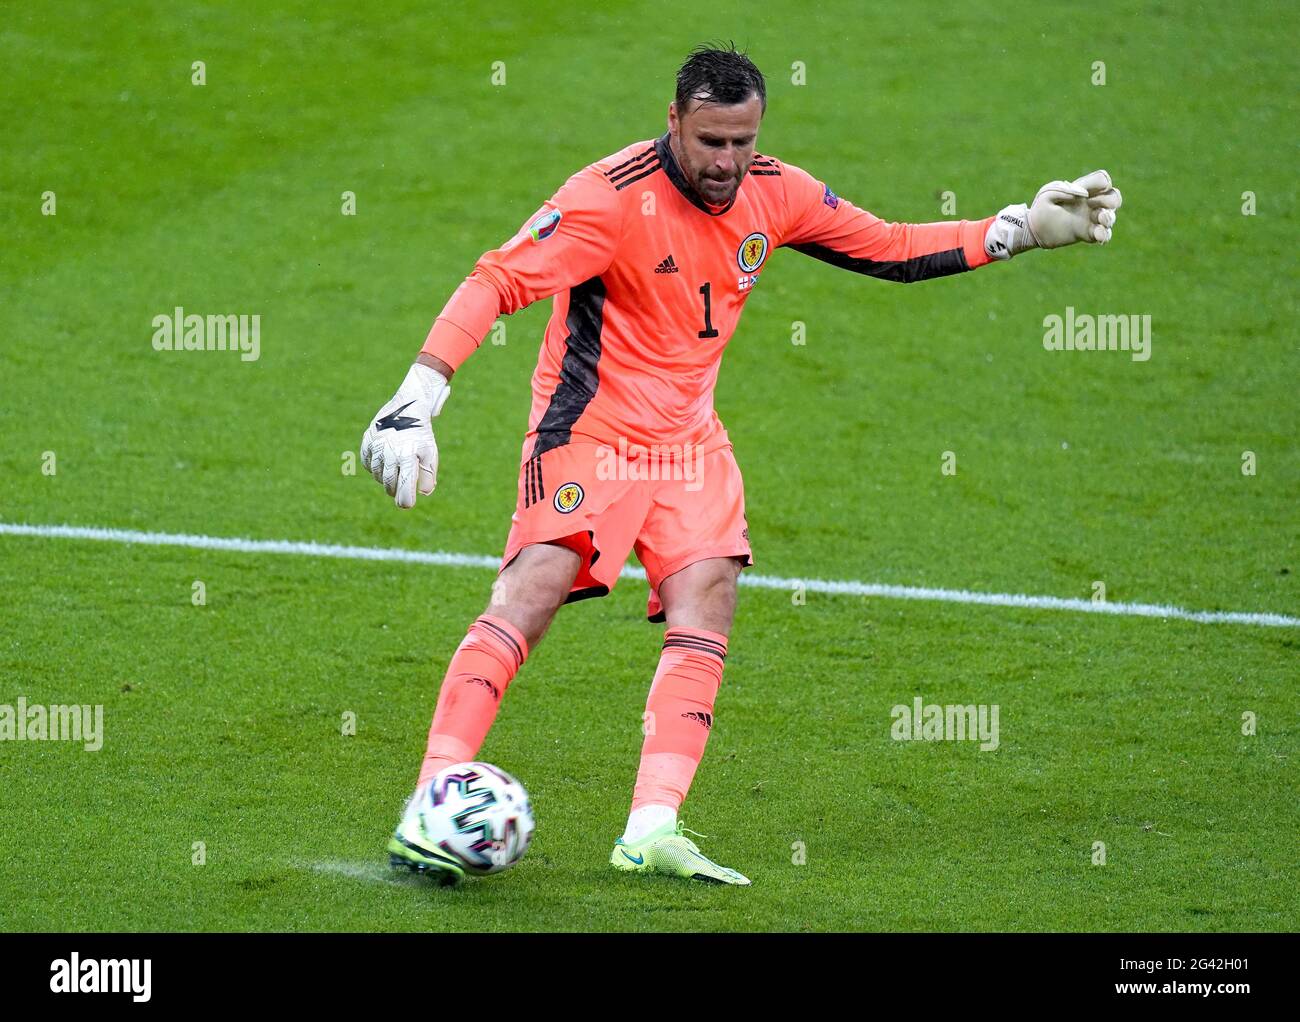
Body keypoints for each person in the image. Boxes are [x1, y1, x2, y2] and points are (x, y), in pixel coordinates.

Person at [361, 43, 1122, 885]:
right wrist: (416, 398)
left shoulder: (774, 190)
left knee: (709, 597)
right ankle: (431, 800)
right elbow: (497, 278)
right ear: (675, 120)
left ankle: (650, 828)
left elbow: (891, 247)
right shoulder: (606, 198)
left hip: (692, 440)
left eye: (743, 142)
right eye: (711, 141)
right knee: (534, 588)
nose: (727, 162)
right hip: (593, 431)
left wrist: (1017, 229)